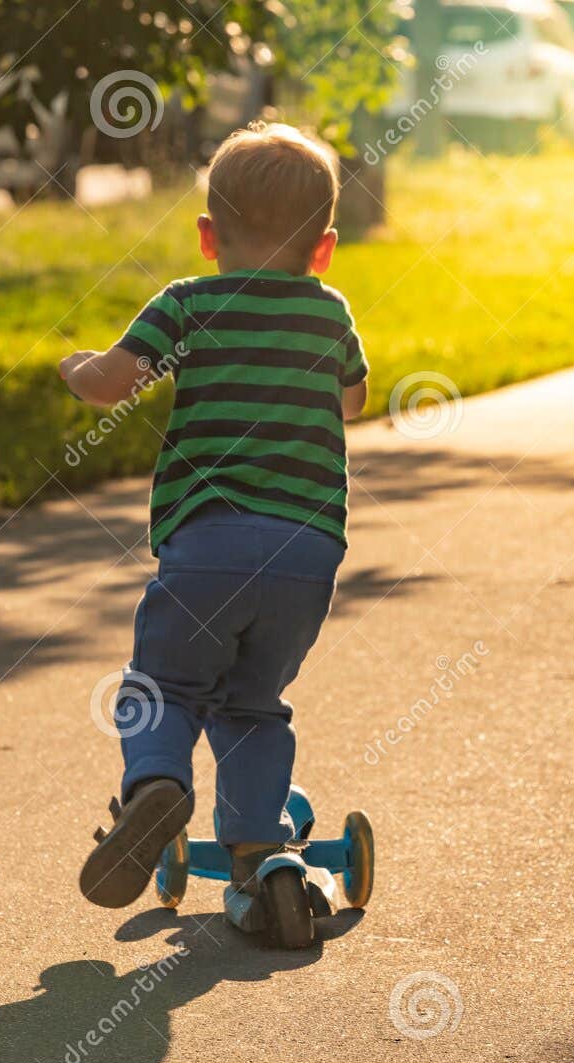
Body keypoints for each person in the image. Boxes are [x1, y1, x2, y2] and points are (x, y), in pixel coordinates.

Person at [60, 123, 368, 935]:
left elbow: (111, 384)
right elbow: (354, 401)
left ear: (207, 237)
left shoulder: (188, 304)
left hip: (206, 546)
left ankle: (157, 781)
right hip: (308, 554)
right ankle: (257, 849)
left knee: (162, 685)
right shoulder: (331, 314)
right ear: (325, 247)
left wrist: (77, 367)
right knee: (256, 702)